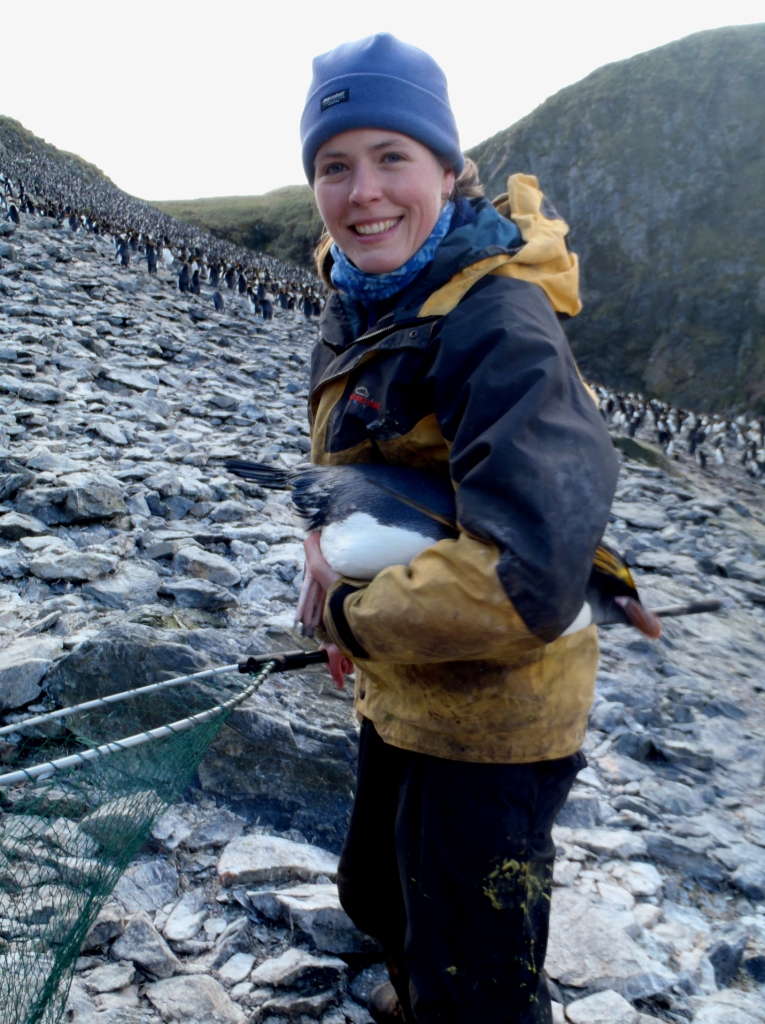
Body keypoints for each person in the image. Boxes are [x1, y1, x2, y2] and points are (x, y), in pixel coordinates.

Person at [298, 33, 618, 1024]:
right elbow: (367, 459)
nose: (363, 194)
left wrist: (353, 616)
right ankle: (415, 985)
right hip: (408, 682)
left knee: (478, 970)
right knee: (380, 896)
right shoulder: (367, 291)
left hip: (497, 720)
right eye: (334, 166)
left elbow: (527, 579)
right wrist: (324, 547)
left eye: (393, 157)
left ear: (449, 166)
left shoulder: (495, 324)